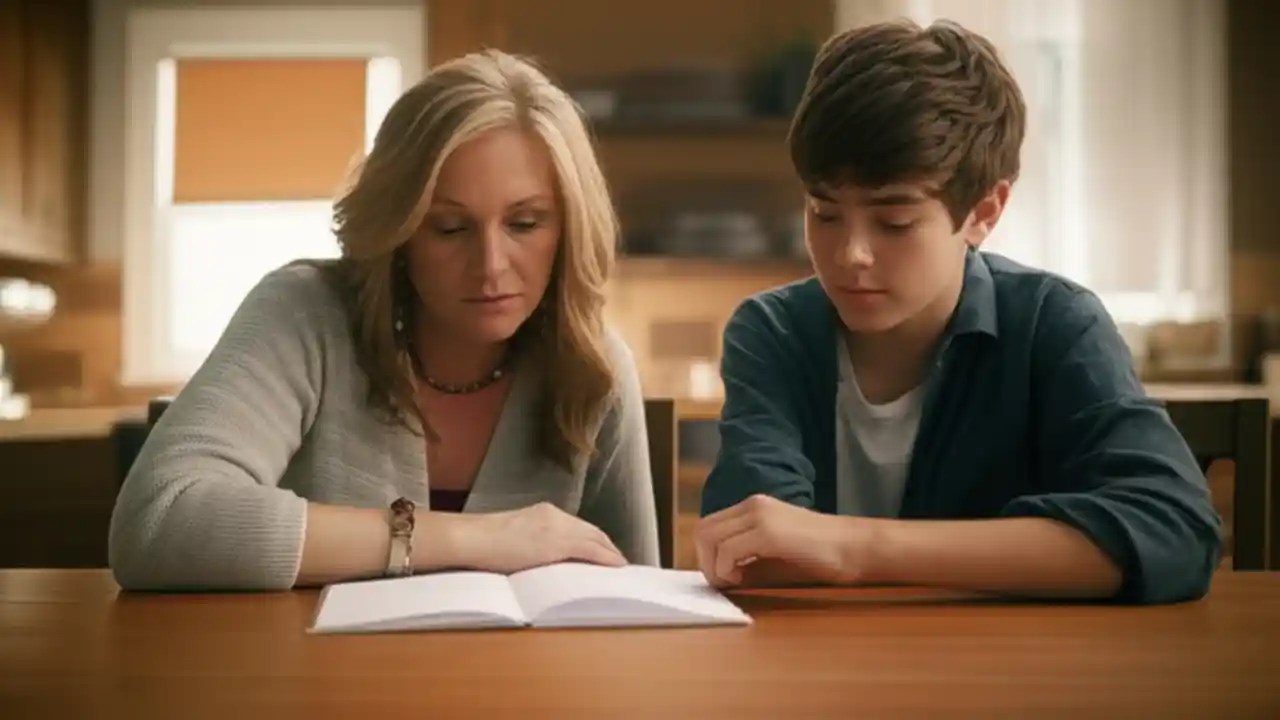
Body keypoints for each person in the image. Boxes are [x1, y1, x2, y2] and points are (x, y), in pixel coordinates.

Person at [696, 20, 1221, 604]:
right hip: (821, 676)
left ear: (984, 211)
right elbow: (750, 548)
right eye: (824, 213)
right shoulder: (773, 331)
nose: (851, 254)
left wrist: (854, 547)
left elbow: (1173, 531)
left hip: (1012, 676)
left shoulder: (1053, 322)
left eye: (895, 221)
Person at [110, 50, 659, 590]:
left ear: (568, 228)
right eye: (449, 228)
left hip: (525, 684)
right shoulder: (305, 315)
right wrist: (478, 539)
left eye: (525, 223)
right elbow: (160, 520)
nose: (491, 265)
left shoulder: (595, 368)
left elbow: (644, 610)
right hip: (310, 679)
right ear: (399, 230)